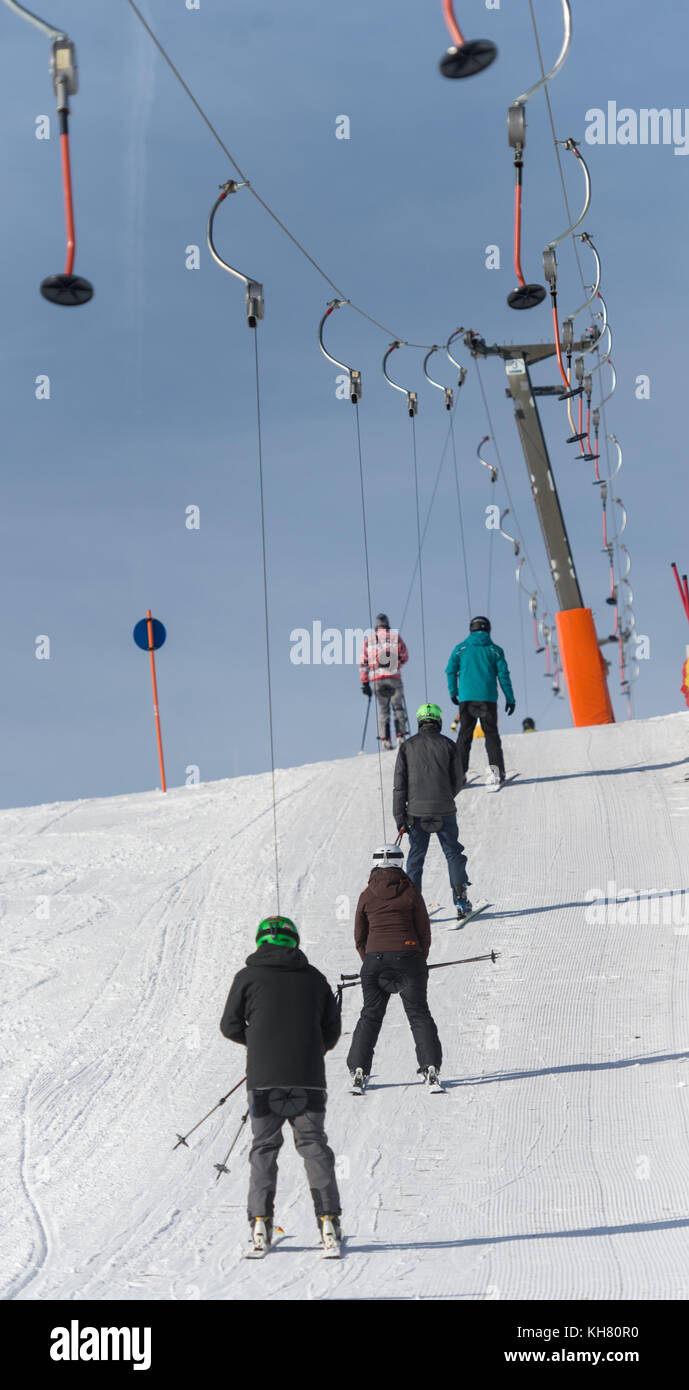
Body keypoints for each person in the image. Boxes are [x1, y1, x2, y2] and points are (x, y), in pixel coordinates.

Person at [220, 916, 343, 1256]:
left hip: (264, 1081)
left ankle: (260, 1224)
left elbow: (229, 1025)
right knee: (313, 1145)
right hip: (309, 1080)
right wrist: (310, 1048)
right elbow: (332, 1029)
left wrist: (259, 1043)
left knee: (264, 1147)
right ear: (295, 941)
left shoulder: (246, 978)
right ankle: (329, 1221)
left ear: (260, 940)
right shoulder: (315, 979)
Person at [346, 843, 443, 1092]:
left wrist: (368, 958)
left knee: (370, 1015)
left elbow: (359, 934)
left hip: (374, 961)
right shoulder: (410, 891)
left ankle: (358, 1071)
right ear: (401, 862)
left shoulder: (366, 894)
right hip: (410, 958)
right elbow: (424, 930)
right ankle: (430, 1069)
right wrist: (418, 958)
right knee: (419, 1014)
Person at [393, 702, 471, 920]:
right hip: (445, 809)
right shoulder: (448, 745)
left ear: (419, 721)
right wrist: (445, 797)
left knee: (416, 858)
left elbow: (399, 785)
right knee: (453, 853)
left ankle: (412, 909)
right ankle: (461, 901)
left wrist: (400, 817)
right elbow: (459, 780)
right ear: (438, 720)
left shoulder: (407, 747)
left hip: (416, 813)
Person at [445, 616, 515, 784]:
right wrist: (510, 698)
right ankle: (497, 773)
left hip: (467, 699)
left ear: (471, 629)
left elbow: (450, 670)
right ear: (488, 629)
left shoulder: (460, 649)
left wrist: (453, 692)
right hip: (488, 699)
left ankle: (458, 776)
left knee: (464, 735)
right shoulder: (495, 650)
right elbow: (504, 676)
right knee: (491, 735)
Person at [360, 613, 409, 750]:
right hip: (394, 677)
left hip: (377, 680)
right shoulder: (395, 637)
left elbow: (363, 663)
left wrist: (365, 683)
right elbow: (405, 655)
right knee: (398, 707)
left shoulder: (368, 641)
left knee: (383, 710)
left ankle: (385, 740)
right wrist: (397, 665)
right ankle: (400, 737)